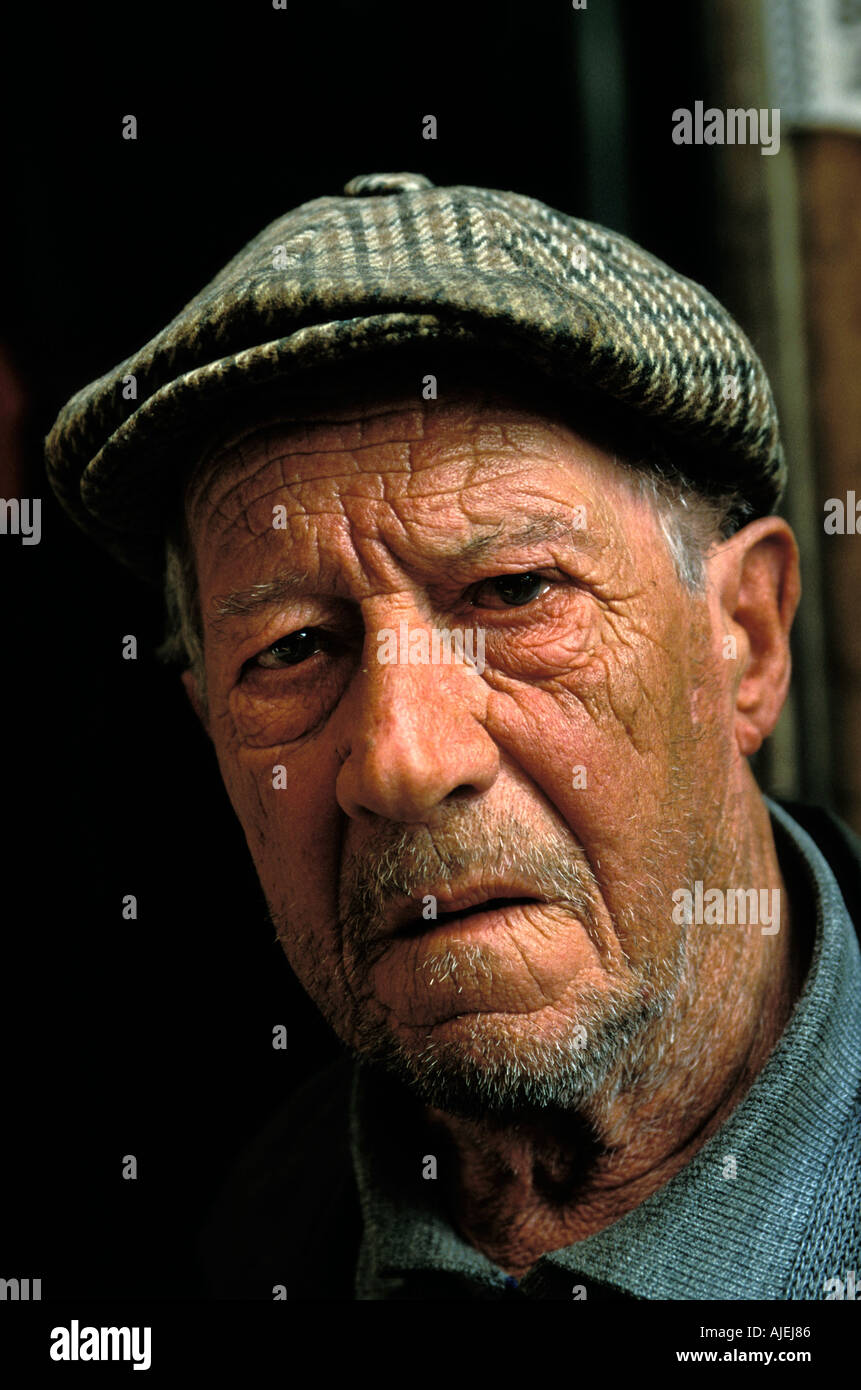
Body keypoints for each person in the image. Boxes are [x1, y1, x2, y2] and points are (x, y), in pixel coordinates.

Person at [46, 172, 861, 1301]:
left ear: (746, 638)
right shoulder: (224, 1235)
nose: (403, 759)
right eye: (290, 649)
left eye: (514, 589)